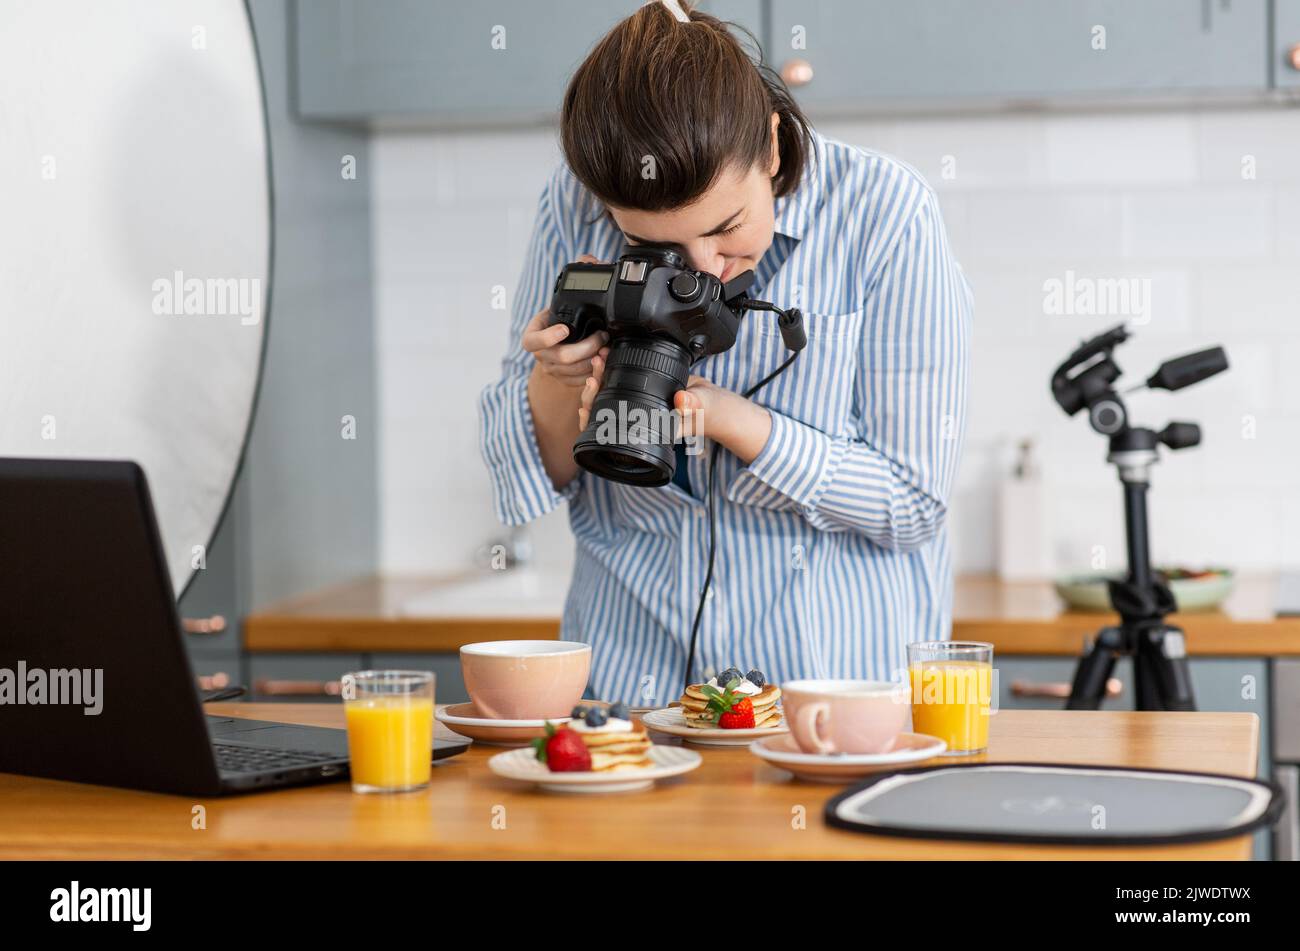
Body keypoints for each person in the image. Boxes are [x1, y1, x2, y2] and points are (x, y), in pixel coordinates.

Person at [479, 1, 972, 706]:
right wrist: (557, 378)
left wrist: (735, 422)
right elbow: (529, 475)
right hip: (631, 692)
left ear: (771, 146)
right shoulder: (574, 205)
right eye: (662, 251)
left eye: (725, 227)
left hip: (829, 701)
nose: (706, 267)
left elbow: (914, 501)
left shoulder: (886, 213)